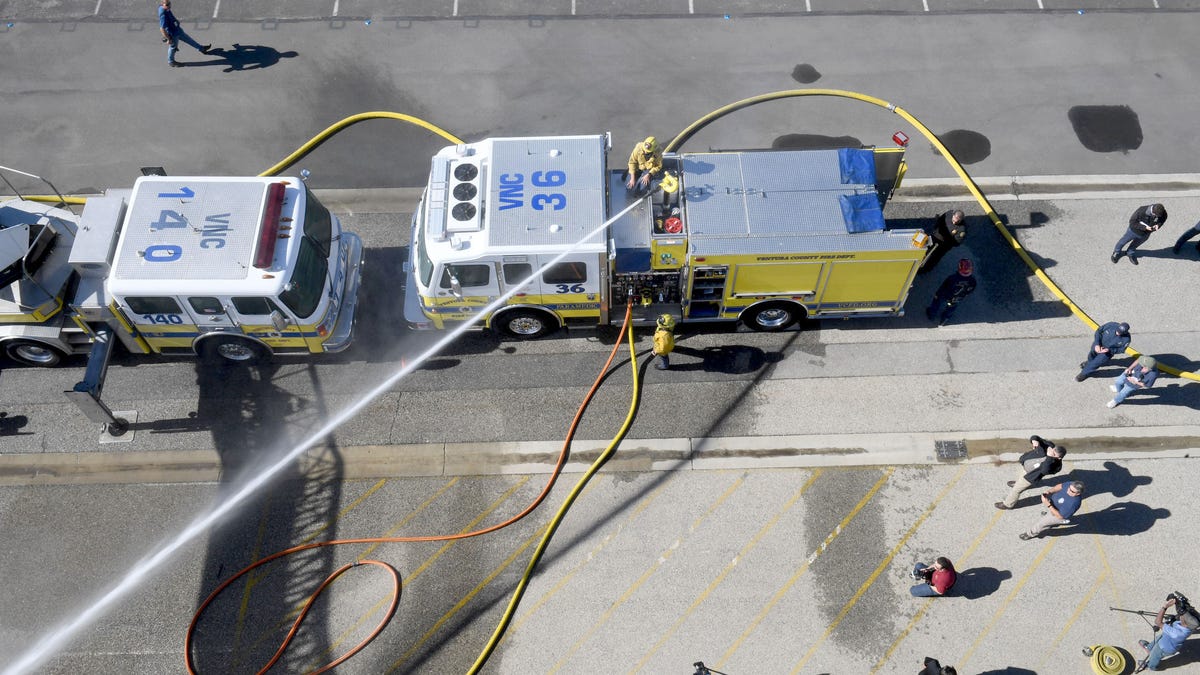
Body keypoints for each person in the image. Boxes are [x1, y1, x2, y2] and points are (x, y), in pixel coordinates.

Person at [995, 435, 1065, 510]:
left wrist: (1049, 457)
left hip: (1030, 476)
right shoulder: (1049, 446)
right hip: (1026, 467)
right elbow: (1036, 437)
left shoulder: (1056, 466)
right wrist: (1034, 440)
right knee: (1020, 477)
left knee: (1016, 490)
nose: (1051, 452)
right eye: (1053, 451)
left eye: (1054, 454)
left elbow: (1045, 471)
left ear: (1059, 458)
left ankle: (1008, 504)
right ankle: (1017, 483)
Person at [1136, 595, 1199, 671]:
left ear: (1185, 622)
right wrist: (1177, 602)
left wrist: (1165, 607)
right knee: (1157, 638)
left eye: (1183, 615)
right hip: (1166, 638)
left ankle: (1150, 666)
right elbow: (1182, 613)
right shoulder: (1187, 625)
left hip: (1164, 648)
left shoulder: (1177, 634)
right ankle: (1149, 648)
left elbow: (1158, 622)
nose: (1180, 614)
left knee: (1155, 656)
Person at [1020, 480, 1084, 540]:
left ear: (1078, 493)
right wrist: (1049, 491)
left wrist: (1048, 504)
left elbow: (1060, 516)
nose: (1068, 491)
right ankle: (1052, 519)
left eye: (1072, 491)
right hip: (1054, 507)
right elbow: (1060, 486)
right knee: (1049, 517)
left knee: (1042, 523)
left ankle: (1030, 533)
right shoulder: (1071, 485)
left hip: (1058, 515)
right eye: (1069, 488)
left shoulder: (1073, 504)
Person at [159, 0, 211, 67]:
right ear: (162, 4)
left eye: (169, 3)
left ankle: (201, 49)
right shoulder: (163, 14)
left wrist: (176, 21)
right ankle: (171, 61)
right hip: (173, 34)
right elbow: (162, 29)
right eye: (167, 5)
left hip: (177, 30)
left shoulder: (166, 8)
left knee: (189, 40)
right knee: (173, 47)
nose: (169, 5)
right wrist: (168, 39)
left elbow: (170, 16)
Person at [926, 259, 977, 325]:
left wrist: (937, 294)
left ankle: (932, 314)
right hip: (957, 298)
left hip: (945, 296)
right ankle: (945, 319)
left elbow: (943, 287)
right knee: (951, 307)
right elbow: (970, 290)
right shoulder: (973, 281)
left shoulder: (952, 278)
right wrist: (963, 295)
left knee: (937, 302)